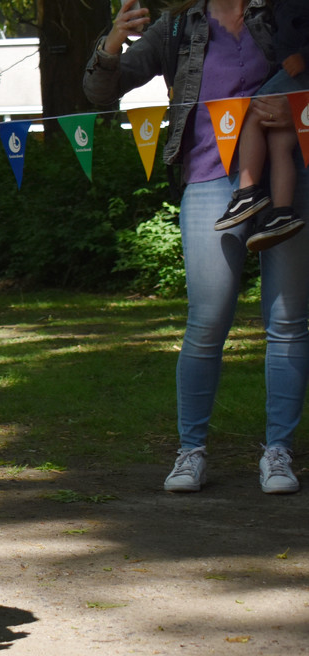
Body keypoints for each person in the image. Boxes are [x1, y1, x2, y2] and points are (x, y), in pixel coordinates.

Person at [84, 0, 309, 494]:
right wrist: (113, 41)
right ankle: (191, 452)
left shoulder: (285, 13)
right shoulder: (178, 27)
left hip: (291, 178)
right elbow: (102, 89)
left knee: (288, 322)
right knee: (206, 323)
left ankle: (278, 453)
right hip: (209, 182)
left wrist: (296, 109)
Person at [213, 0, 309, 250]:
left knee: (256, 110)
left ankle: (248, 193)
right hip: (289, 71)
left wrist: (305, 58)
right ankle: (283, 212)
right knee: (279, 139)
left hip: (299, 73)